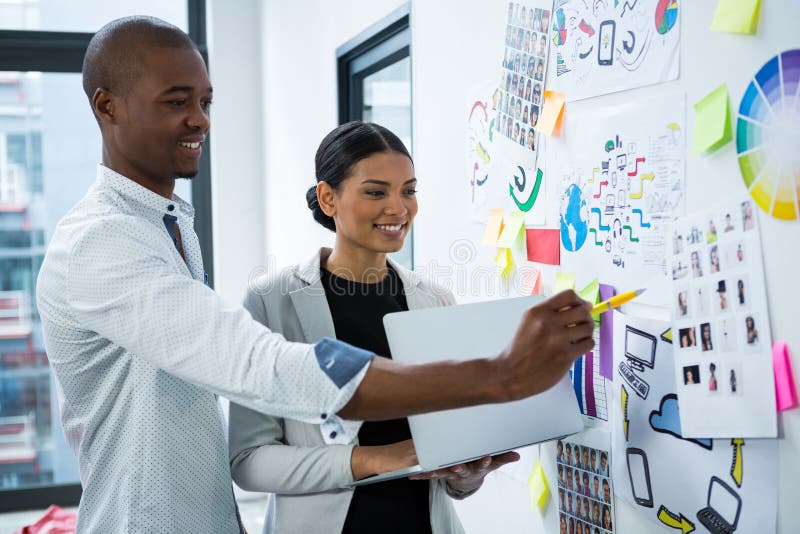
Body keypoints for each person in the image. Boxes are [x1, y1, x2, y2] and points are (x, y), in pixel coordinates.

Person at [35, 17, 595, 532]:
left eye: (206, 101)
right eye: (177, 101)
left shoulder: (168, 226)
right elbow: (262, 371)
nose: (201, 119)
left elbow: (449, 450)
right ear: (106, 107)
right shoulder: (104, 241)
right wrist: (498, 376)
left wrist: (464, 466)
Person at [231, 122, 520, 533]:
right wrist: (378, 458)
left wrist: (466, 475)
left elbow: (448, 459)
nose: (399, 208)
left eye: (409, 190)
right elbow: (250, 461)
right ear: (329, 198)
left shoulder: (434, 301)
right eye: (375, 192)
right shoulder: (271, 300)